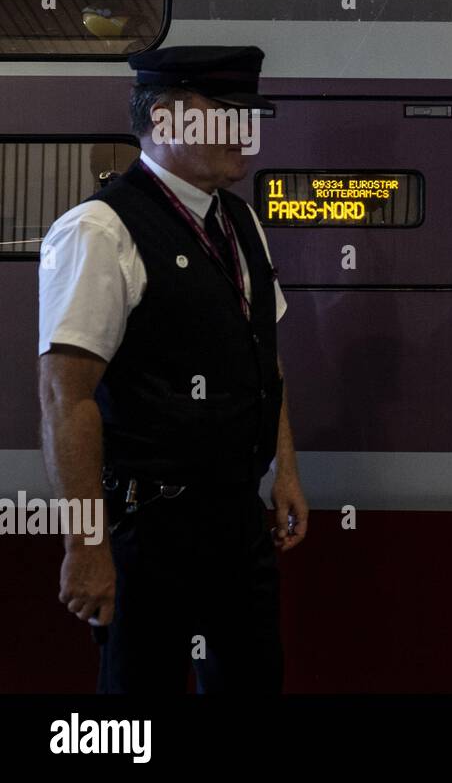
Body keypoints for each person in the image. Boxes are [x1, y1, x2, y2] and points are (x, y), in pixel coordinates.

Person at [38, 46, 308, 693]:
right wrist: (86, 544)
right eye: (227, 115)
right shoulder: (101, 231)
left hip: (236, 521)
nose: (247, 133)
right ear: (165, 120)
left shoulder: (242, 222)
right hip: (148, 530)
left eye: (252, 116)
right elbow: (64, 395)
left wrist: (285, 471)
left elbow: (261, 358)